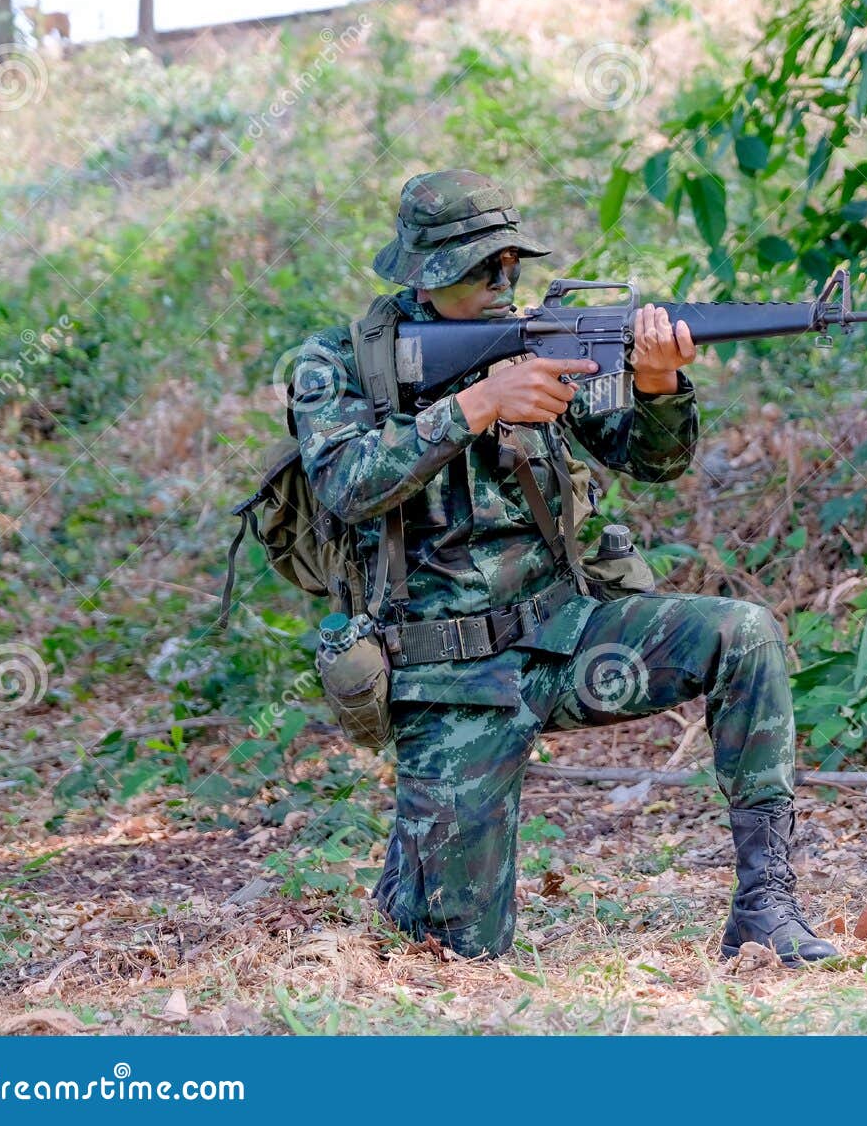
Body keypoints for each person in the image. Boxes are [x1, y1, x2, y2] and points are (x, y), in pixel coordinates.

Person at [288, 169, 839, 965]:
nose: (502, 284)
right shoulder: (339, 362)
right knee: (453, 953)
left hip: (567, 638)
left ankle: (765, 904)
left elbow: (651, 460)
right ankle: (419, 881)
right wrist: (479, 405)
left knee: (744, 634)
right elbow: (347, 485)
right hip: (452, 680)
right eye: (481, 270)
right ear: (426, 274)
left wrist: (657, 383)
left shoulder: (542, 340)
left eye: (510, 265)